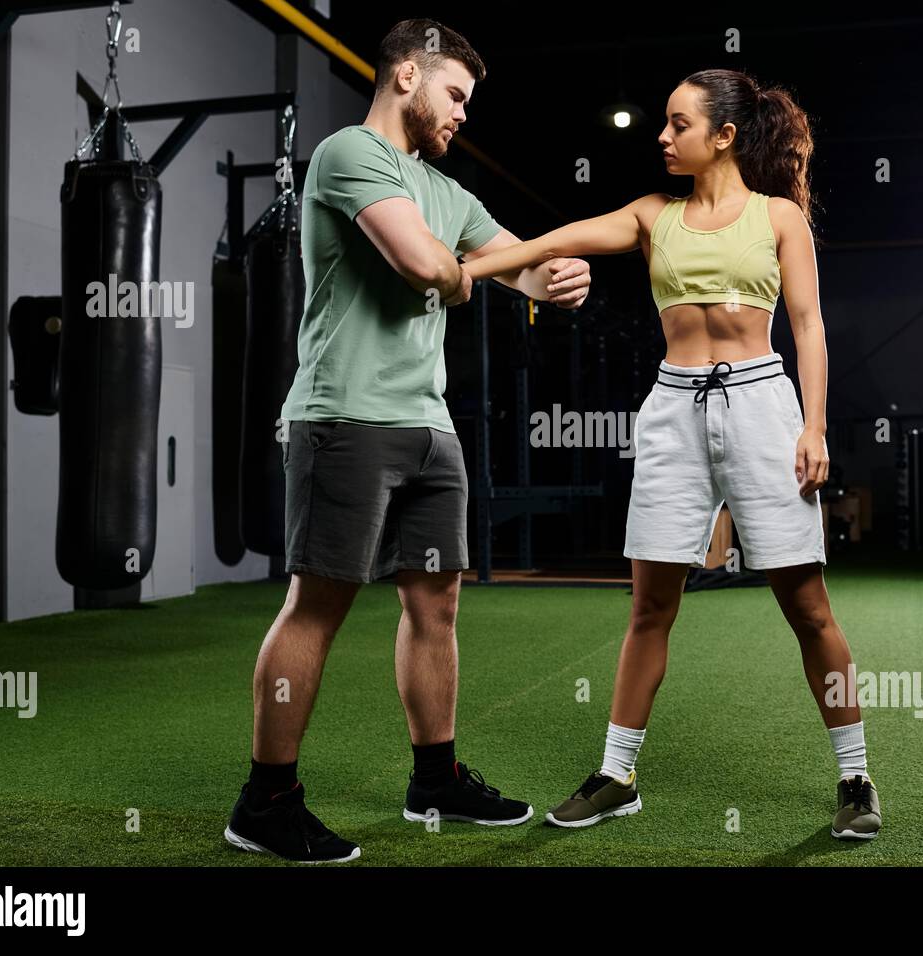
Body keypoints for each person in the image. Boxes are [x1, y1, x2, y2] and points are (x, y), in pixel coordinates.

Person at [460, 68, 881, 840]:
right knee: (650, 605)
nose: (662, 135)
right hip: (672, 412)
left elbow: (810, 326)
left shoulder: (779, 217)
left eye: (677, 124)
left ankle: (856, 780)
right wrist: (465, 270)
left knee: (809, 608)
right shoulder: (654, 215)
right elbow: (555, 240)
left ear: (723, 135)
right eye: (663, 122)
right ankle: (616, 775)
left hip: (762, 407)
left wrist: (814, 427)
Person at [224, 18, 592, 862]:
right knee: (318, 605)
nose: (463, 113)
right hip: (345, 416)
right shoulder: (348, 155)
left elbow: (518, 262)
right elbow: (425, 267)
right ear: (404, 76)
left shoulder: (449, 193)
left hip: (429, 426)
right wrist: (473, 272)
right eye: (454, 94)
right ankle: (265, 800)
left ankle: (436, 777)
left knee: (436, 602)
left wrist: (555, 272)